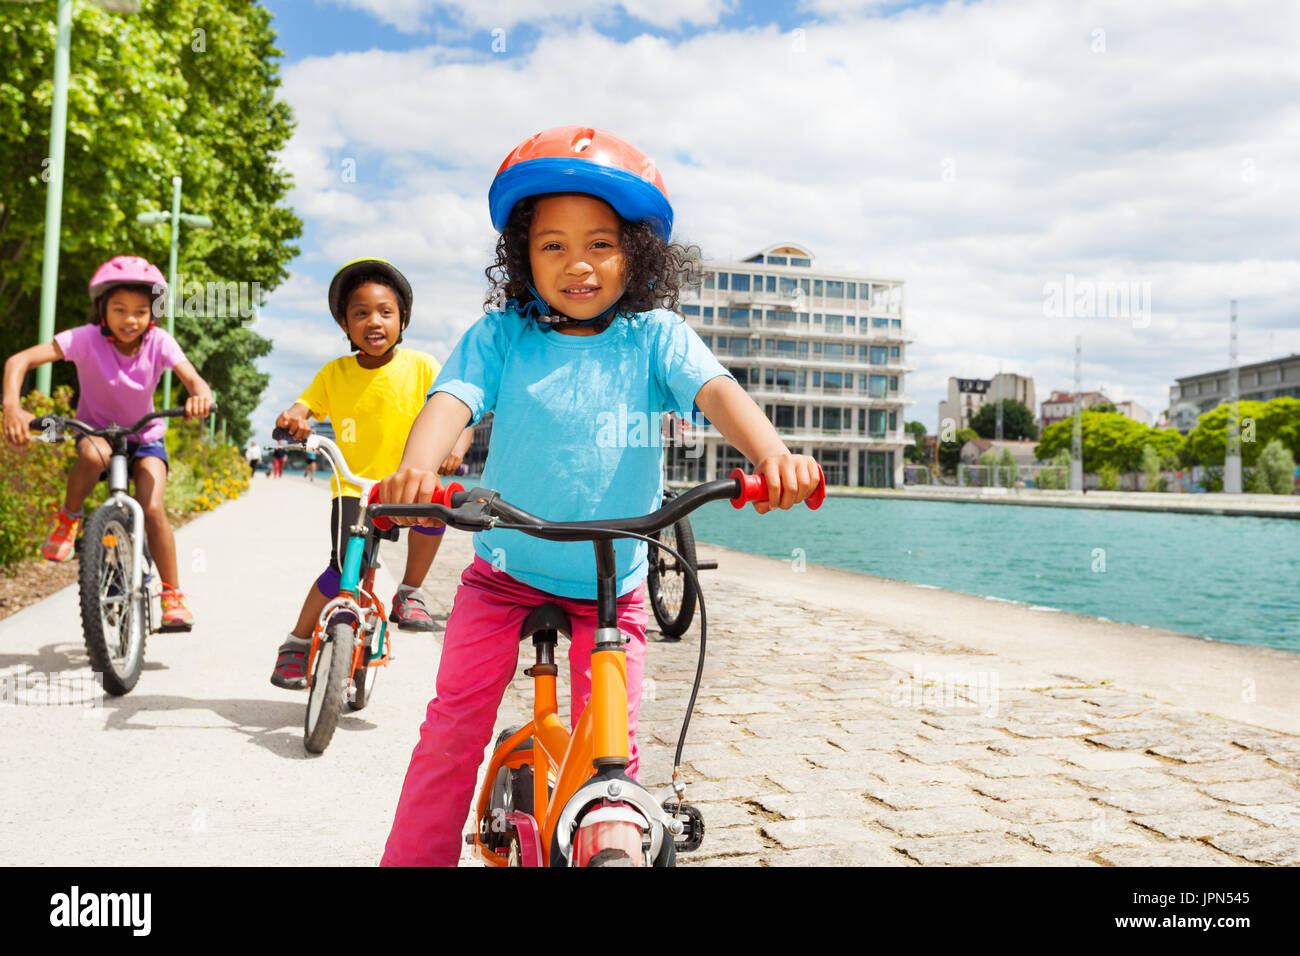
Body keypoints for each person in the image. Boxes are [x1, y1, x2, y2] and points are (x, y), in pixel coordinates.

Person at [375, 127, 821, 866]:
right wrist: (417, 472)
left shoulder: (657, 338)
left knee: (613, 752)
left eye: (602, 245)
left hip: (615, 585)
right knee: (453, 728)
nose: (577, 264)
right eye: (552, 245)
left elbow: (720, 393)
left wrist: (772, 457)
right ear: (523, 257)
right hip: (504, 572)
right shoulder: (502, 336)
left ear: (637, 255)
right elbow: (450, 401)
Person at [270, 258, 473, 689]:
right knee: (341, 571)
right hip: (356, 490)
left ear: (403, 320)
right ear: (345, 324)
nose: (373, 321)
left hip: (407, 485)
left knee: (435, 502)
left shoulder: (421, 366)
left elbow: (460, 412)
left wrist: (457, 444)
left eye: (385, 311)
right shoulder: (334, 373)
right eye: (360, 313)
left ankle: (410, 591)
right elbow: (300, 409)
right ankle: (297, 643)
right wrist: (294, 419)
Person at [2, 255, 214, 629]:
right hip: (97, 433)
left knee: (151, 508)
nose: (130, 319)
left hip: (145, 438)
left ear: (153, 314)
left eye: (140, 311)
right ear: (102, 309)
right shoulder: (84, 339)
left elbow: (194, 381)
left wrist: (199, 396)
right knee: (90, 454)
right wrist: (12, 407)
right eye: (119, 309)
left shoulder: (160, 343)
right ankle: (69, 516)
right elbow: (19, 361)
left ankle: (172, 594)